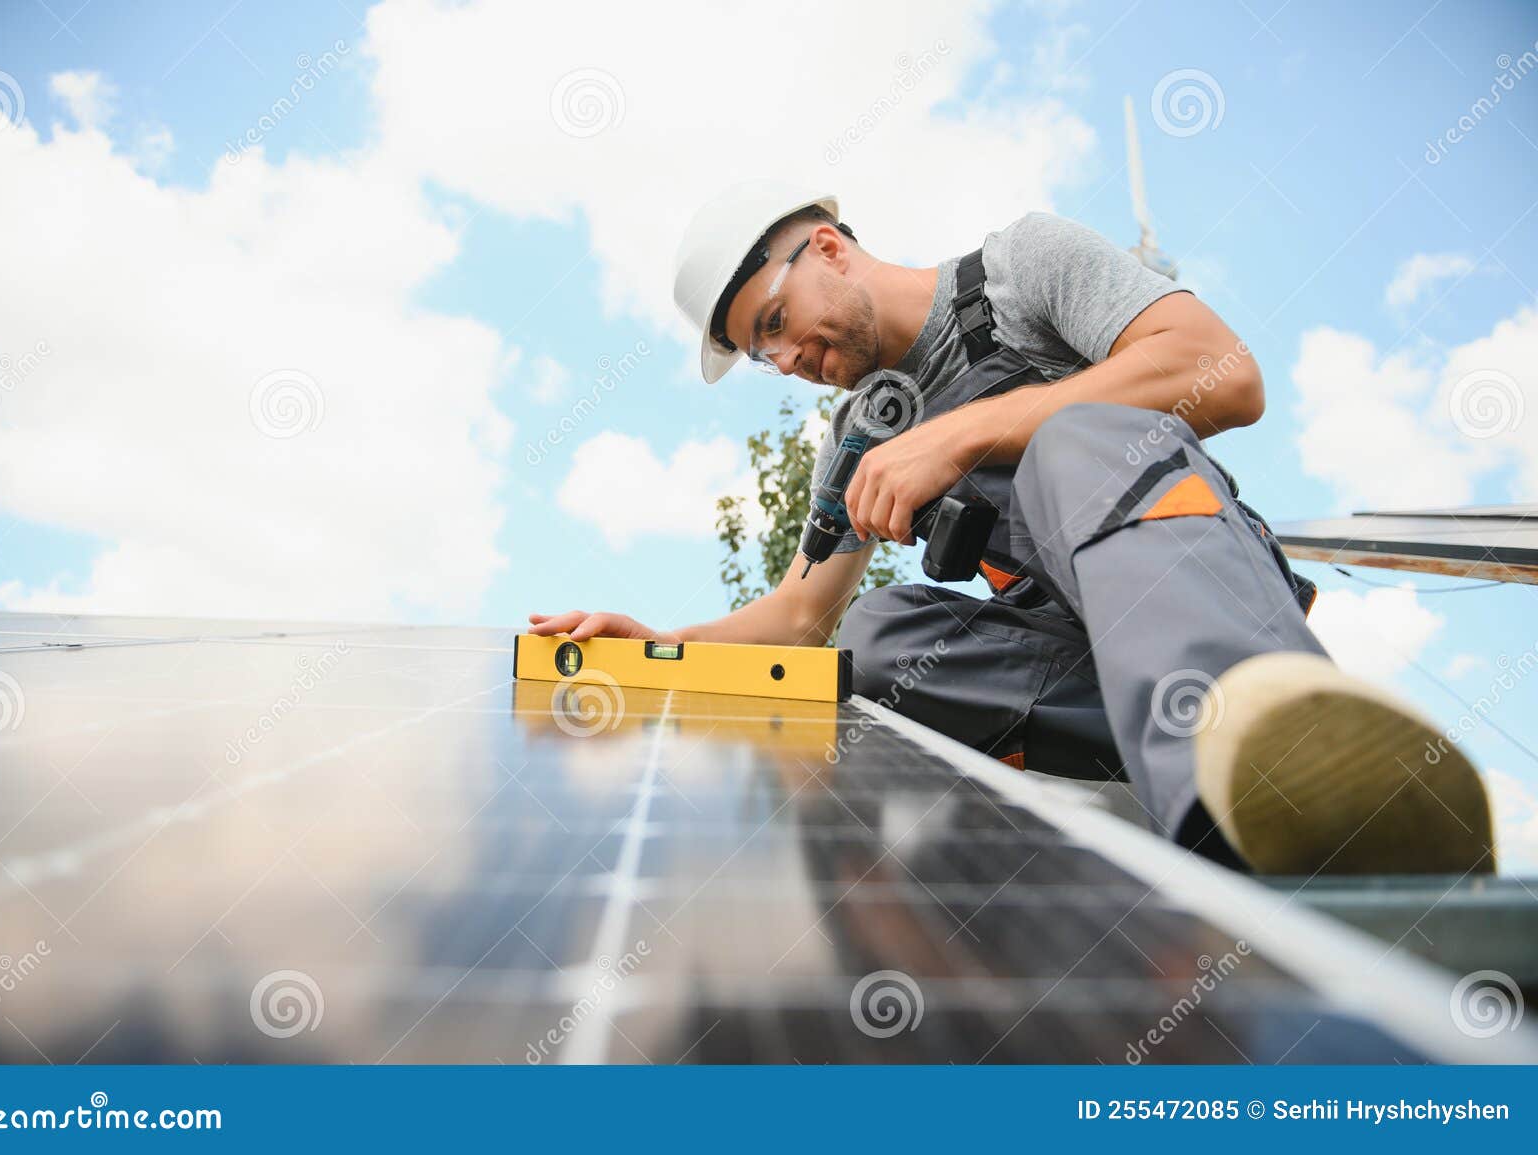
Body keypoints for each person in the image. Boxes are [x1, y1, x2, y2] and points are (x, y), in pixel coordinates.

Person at [528, 181, 1495, 876]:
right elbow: (796, 621)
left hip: (1202, 615)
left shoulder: (1024, 268)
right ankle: (1115, 856)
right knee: (875, 636)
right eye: (761, 352)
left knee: (1072, 443)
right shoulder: (864, 432)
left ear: (826, 244)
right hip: (1089, 687)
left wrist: (964, 434)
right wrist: (653, 645)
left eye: (776, 320)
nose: (785, 359)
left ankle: (1268, 754)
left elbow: (1222, 372)